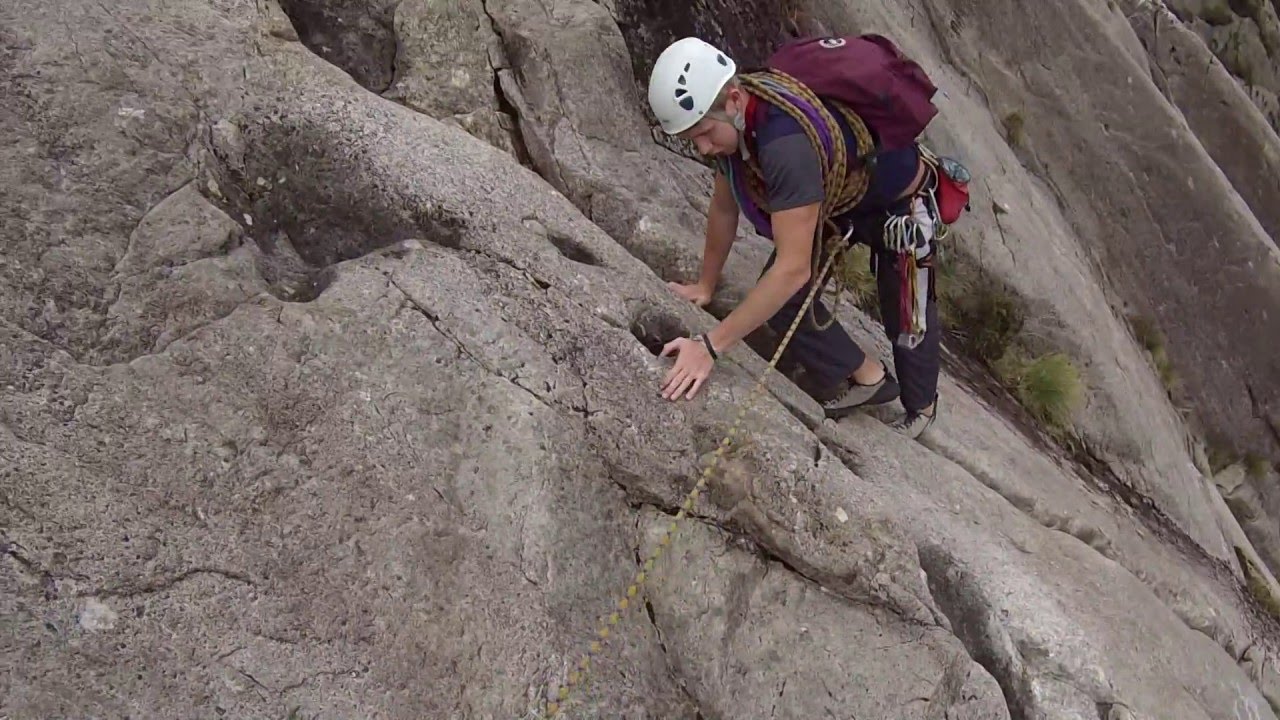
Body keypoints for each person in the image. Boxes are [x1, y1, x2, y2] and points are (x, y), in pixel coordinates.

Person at [646, 35, 946, 439]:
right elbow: (724, 206)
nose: (703, 146)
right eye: (693, 138)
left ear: (734, 100)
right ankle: (869, 376)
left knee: (908, 319)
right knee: (781, 300)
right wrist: (706, 283)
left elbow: (792, 269)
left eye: (704, 133)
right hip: (839, 201)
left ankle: (921, 407)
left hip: (900, 203)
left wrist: (711, 345)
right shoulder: (737, 126)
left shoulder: (784, 143)